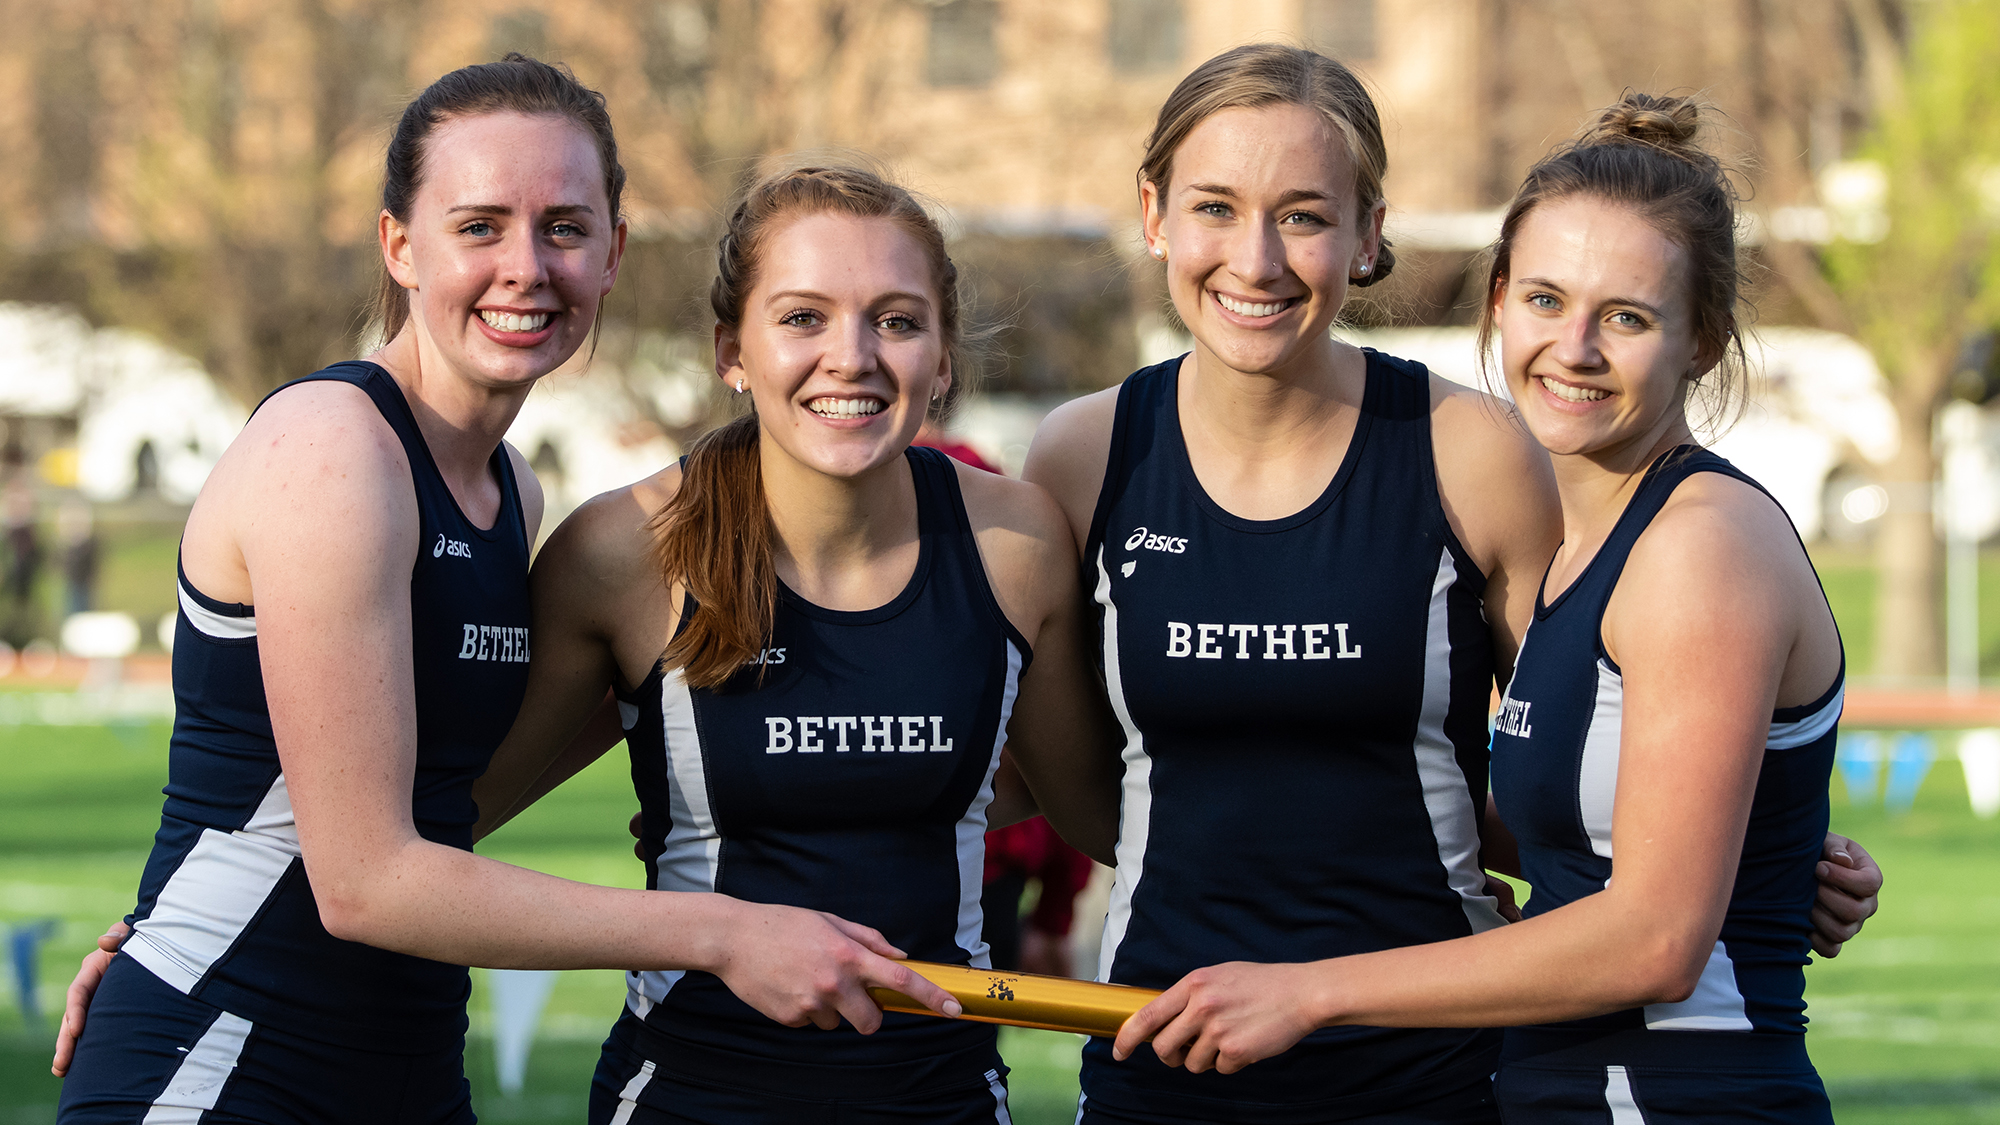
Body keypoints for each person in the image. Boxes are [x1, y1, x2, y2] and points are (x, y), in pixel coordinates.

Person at [55, 58, 960, 1124]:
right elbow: (364, 880)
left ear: (613, 253)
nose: (525, 268)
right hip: (224, 1050)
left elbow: (466, 794)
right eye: (478, 227)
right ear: (399, 245)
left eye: (564, 229)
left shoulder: (508, 491)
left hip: (402, 1055)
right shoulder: (335, 449)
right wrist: (725, 929)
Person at [1021, 46, 1879, 1124]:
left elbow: (1584, 804)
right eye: (1211, 207)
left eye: (1301, 215)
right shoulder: (1079, 456)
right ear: (1151, 214)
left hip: (1434, 1079)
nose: (1255, 258)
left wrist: (1745, 854)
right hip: (1168, 1054)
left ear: (1366, 232)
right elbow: (1083, 796)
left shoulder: (1483, 457)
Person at [464, 162, 1116, 1124]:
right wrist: (704, 927)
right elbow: (435, 831)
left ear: (943, 359)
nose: (851, 356)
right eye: (803, 317)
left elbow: (1100, 814)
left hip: (943, 1099)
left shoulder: (1016, 543)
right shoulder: (624, 552)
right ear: (732, 349)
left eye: (896, 320)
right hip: (690, 1095)